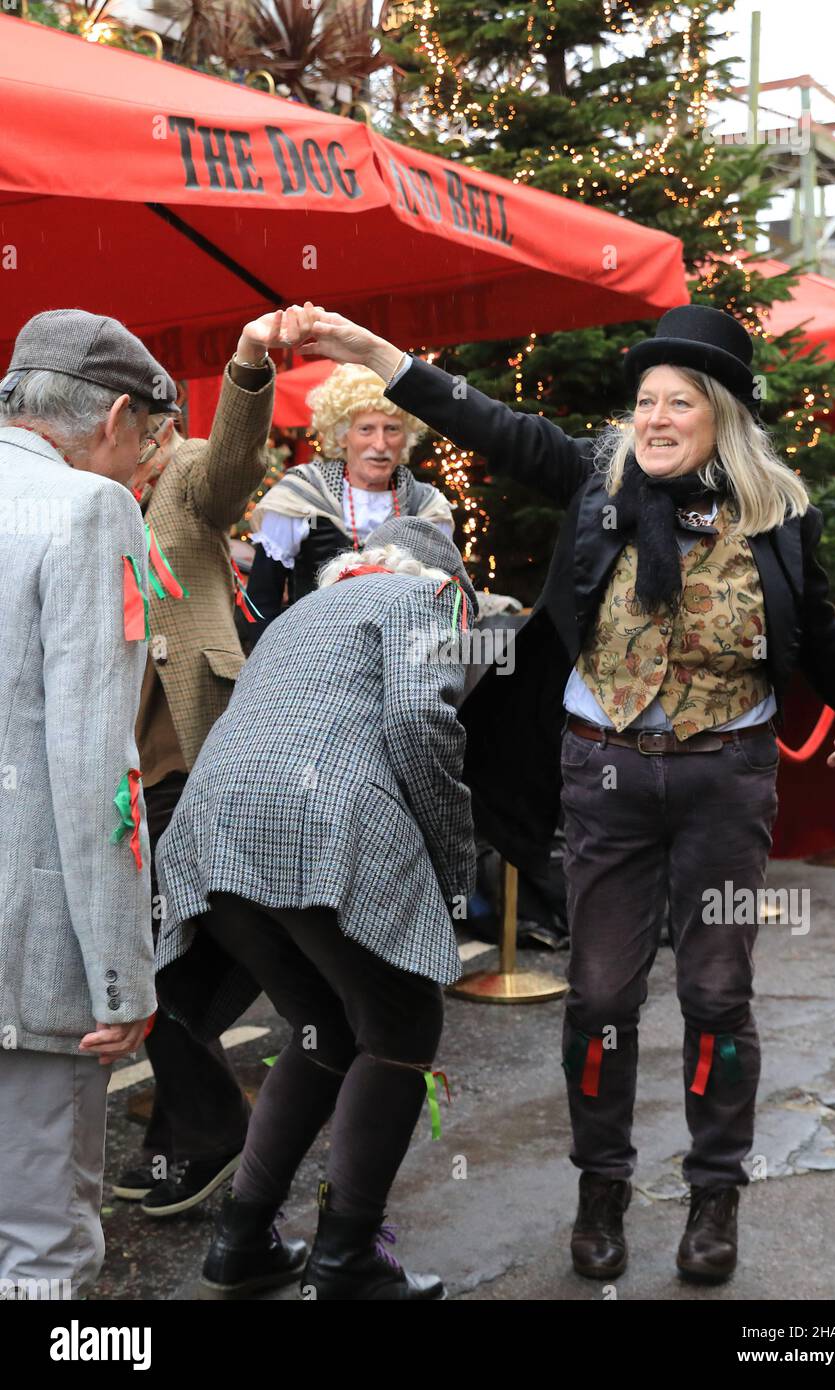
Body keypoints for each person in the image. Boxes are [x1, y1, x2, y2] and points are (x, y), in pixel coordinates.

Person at [289, 300, 835, 1285]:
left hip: (724, 779)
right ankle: (600, 1187)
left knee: (715, 993)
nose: (652, 417)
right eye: (643, 399)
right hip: (601, 773)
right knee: (602, 993)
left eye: (676, 402)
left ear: (722, 414)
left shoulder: (777, 510)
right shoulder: (595, 479)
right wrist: (374, 354)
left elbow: (813, 623)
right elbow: (490, 421)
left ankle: (712, 1195)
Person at [153, 515, 476, 1300]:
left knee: (325, 1026)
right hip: (319, 819)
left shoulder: (301, 613)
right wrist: (453, 860)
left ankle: (241, 1239)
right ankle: (345, 1258)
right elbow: (419, 719)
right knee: (402, 1030)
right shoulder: (422, 597)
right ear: (447, 583)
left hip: (208, 826)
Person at [114, 304, 321, 1221]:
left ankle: (216, 1128)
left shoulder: (185, 475)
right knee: (162, 952)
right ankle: (190, 1133)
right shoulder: (76, 493)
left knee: (189, 943)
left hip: (199, 748)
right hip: (121, 763)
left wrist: (244, 365)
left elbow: (237, 465)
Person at [0, 309, 178, 1295]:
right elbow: (91, 762)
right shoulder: (85, 509)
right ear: (116, 414)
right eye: (150, 437)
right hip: (25, 947)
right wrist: (122, 975)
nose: (147, 463)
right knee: (39, 1238)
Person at [243, 361, 453, 644]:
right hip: (314, 652)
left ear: (406, 437)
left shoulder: (427, 507)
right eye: (366, 429)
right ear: (342, 435)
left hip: (401, 657)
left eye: (392, 429)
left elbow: (443, 602)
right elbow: (261, 600)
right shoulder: (301, 494)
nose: (380, 444)